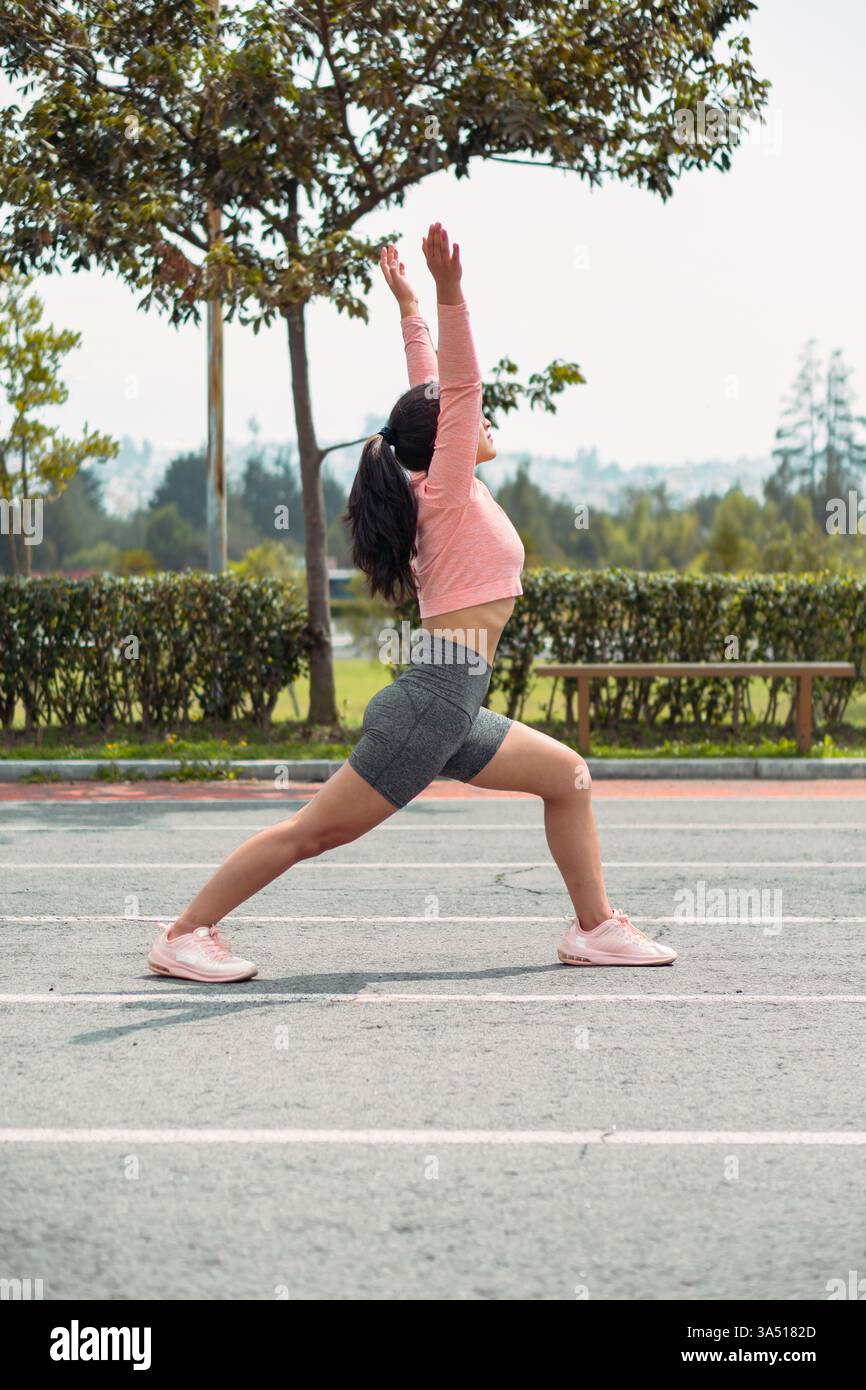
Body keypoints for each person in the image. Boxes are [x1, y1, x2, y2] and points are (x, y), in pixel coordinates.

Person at [148, 223, 677, 982]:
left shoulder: (435, 479)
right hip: (432, 705)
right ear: (449, 441)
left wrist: (407, 306)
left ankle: (594, 928)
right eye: (472, 422)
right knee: (312, 834)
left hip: (455, 703)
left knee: (569, 777)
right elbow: (455, 391)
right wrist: (450, 290)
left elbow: (428, 396)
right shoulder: (450, 492)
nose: (484, 425)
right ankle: (185, 933)